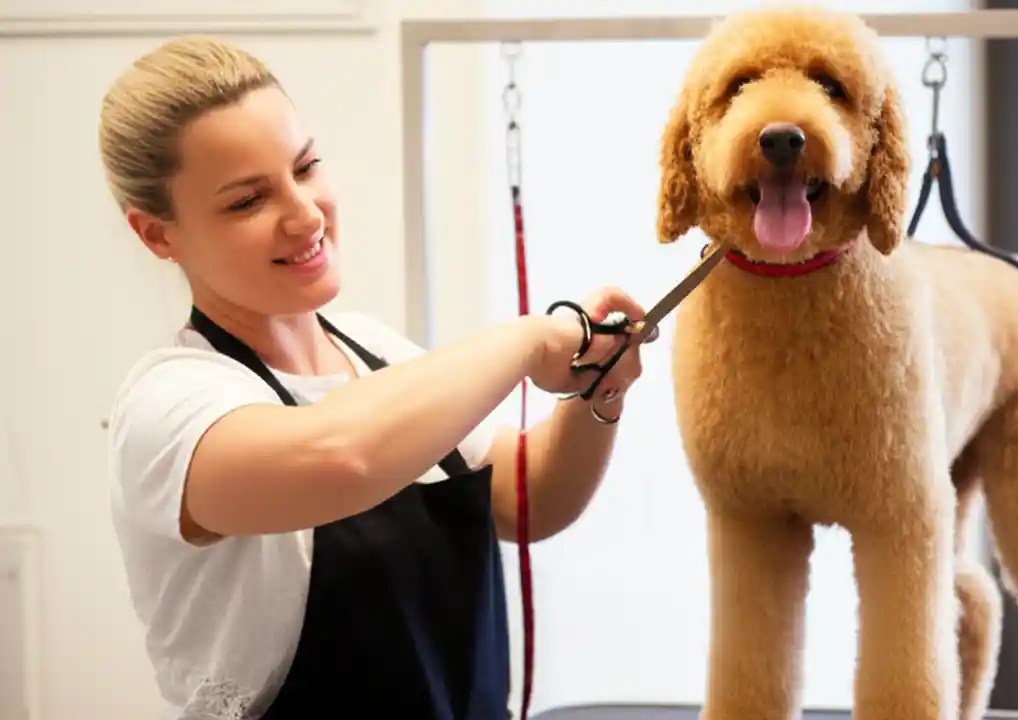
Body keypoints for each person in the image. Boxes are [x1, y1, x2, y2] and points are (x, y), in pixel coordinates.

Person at [100, 35, 646, 719]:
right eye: (247, 201)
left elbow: (531, 494)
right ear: (158, 235)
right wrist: (529, 340)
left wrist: (602, 389)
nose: (304, 214)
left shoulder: (374, 353)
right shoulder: (168, 404)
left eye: (306, 167)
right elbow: (341, 458)